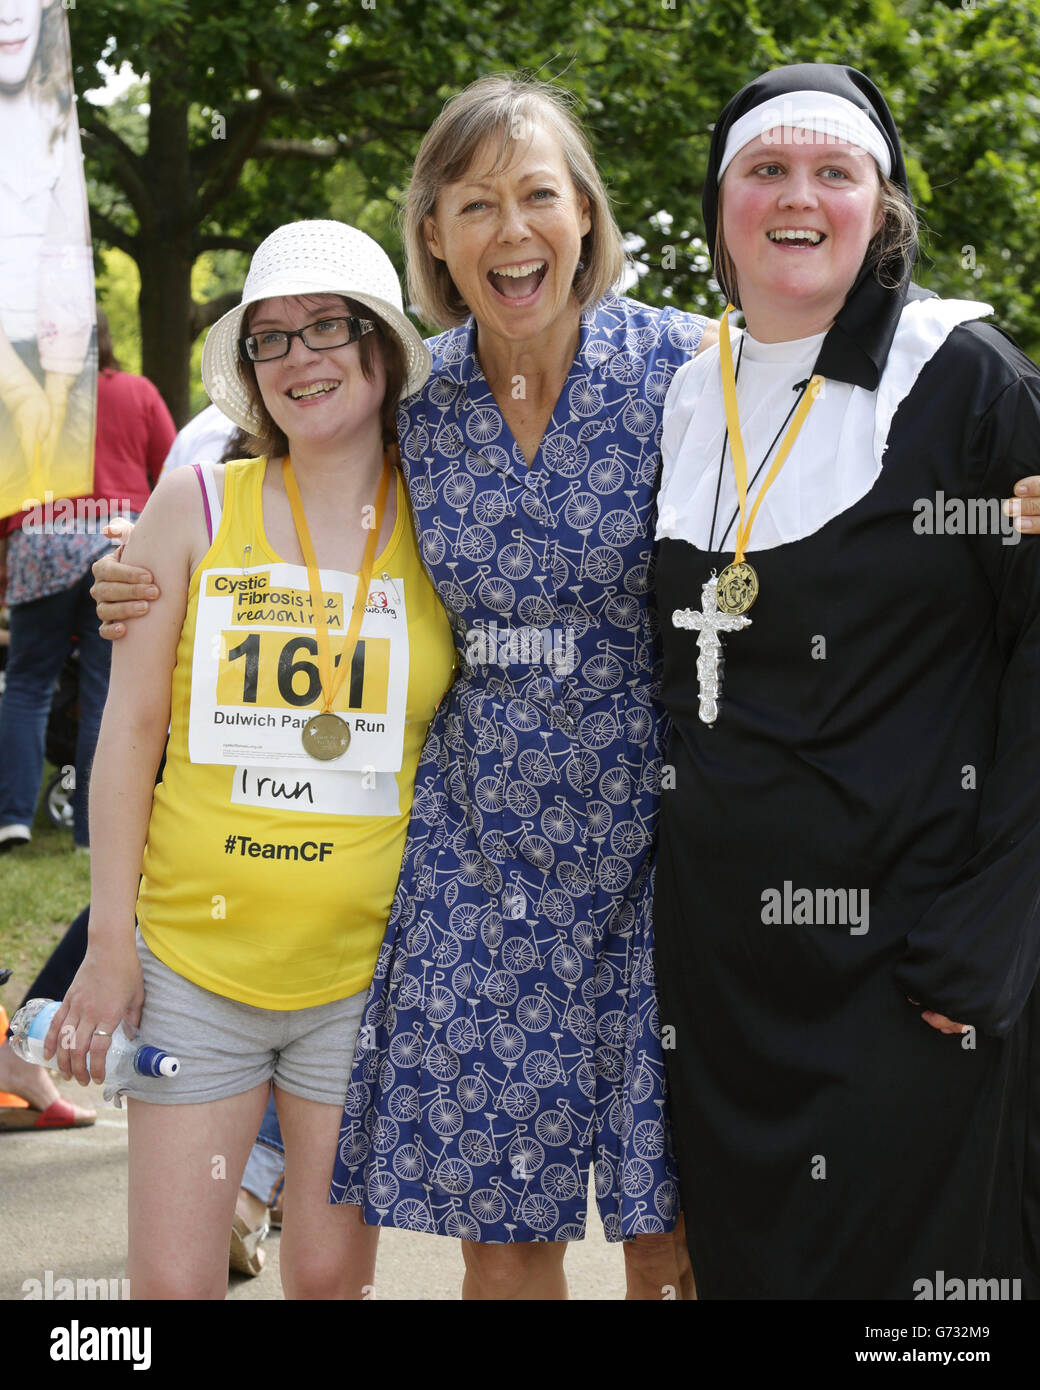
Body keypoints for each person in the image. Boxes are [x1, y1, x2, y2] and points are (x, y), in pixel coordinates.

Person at [90, 74, 1040, 1303]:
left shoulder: (688, 370)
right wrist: (145, 570)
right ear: (431, 234)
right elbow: (279, 435)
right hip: (480, 859)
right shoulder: (414, 398)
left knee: (673, 1226)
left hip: (667, 855)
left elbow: (867, 441)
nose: (510, 229)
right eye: (472, 203)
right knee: (508, 1228)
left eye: (538, 194)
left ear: (586, 216)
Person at [652, 62, 1040, 1298]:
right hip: (723, 980)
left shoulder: (964, 378)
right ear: (720, 208)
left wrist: (993, 932)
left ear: (883, 209)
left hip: (908, 971)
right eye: (764, 170)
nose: (796, 197)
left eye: (834, 172)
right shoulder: (685, 389)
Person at [47, 220, 456, 1300]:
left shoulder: (447, 525)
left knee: (326, 1284)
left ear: (380, 346)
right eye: (270, 340)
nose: (299, 358)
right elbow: (126, 736)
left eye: (327, 328)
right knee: (172, 1291)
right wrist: (109, 942)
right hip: (194, 974)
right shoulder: (198, 505)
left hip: (362, 980)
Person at [0, 308, 174, 850]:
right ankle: (92, 830)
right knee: (106, 691)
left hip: (41, 537)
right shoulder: (138, 392)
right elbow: (172, 468)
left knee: (26, 684)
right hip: (118, 543)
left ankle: (12, 817)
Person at [0, 0, 94, 502]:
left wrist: (54, 390)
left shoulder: (52, 116)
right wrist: (16, 389)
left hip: (51, 369)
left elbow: (65, 250)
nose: (10, 16)